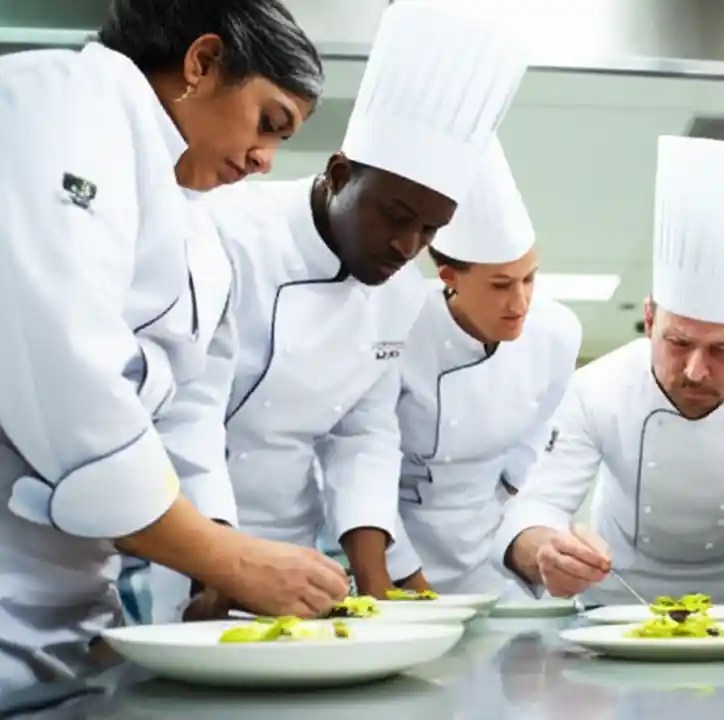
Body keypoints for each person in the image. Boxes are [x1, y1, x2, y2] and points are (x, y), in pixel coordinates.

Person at [0, 0, 347, 689]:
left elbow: (186, 414)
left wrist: (213, 566)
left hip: (73, 613)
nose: (264, 159)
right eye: (268, 122)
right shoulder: (63, 100)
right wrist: (227, 558)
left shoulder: (195, 232)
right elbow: (59, 362)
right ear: (203, 63)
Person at [180, 0, 530, 612]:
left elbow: (363, 433)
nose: (406, 246)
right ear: (340, 175)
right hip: (186, 542)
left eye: (429, 230)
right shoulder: (227, 232)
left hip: (292, 552)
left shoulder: (401, 292)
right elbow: (190, 412)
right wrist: (218, 568)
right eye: (394, 216)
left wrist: (377, 587)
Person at [494, 137, 724, 616]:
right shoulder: (598, 389)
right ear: (650, 319)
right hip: (618, 601)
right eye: (678, 342)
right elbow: (534, 508)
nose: (695, 371)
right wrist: (547, 553)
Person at [382, 141, 583, 597]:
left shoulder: (556, 332)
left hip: (489, 549)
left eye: (529, 278)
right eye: (500, 285)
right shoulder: (398, 329)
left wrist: (519, 517)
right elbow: (365, 458)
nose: (520, 303)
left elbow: (536, 439)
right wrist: (403, 576)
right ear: (449, 277)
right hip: (397, 542)